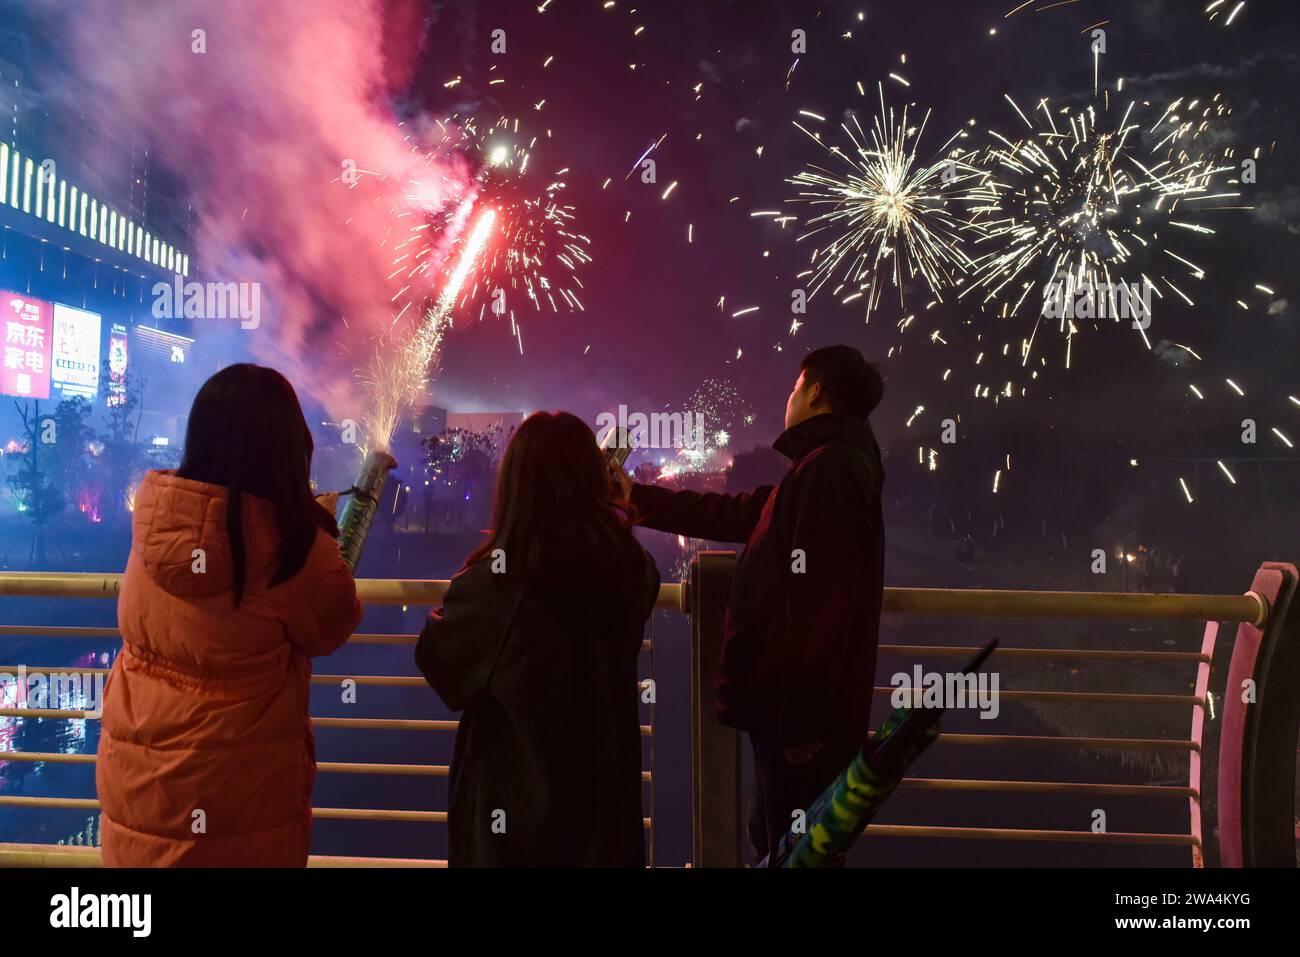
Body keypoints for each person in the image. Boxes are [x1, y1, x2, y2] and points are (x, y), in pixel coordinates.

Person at [613, 345, 886, 864]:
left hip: (799, 726)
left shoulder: (830, 471)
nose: (788, 397)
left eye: (794, 386)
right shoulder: (822, 467)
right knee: (783, 842)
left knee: (793, 848)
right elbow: (737, 513)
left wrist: (803, 722)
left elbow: (821, 607)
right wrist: (639, 499)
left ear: (816, 392)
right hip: (793, 716)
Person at [97, 364, 363, 866]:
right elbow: (335, 622)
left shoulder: (156, 526)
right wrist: (318, 525)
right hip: (241, 809)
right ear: (288, 446)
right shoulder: (296, 547)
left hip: (139, 799)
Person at [415, 411, 659, 867]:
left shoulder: (501, 586)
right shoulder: (632, 569)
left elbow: (439, 662)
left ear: (514, 487)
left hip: (518, 833)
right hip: (607, 826)